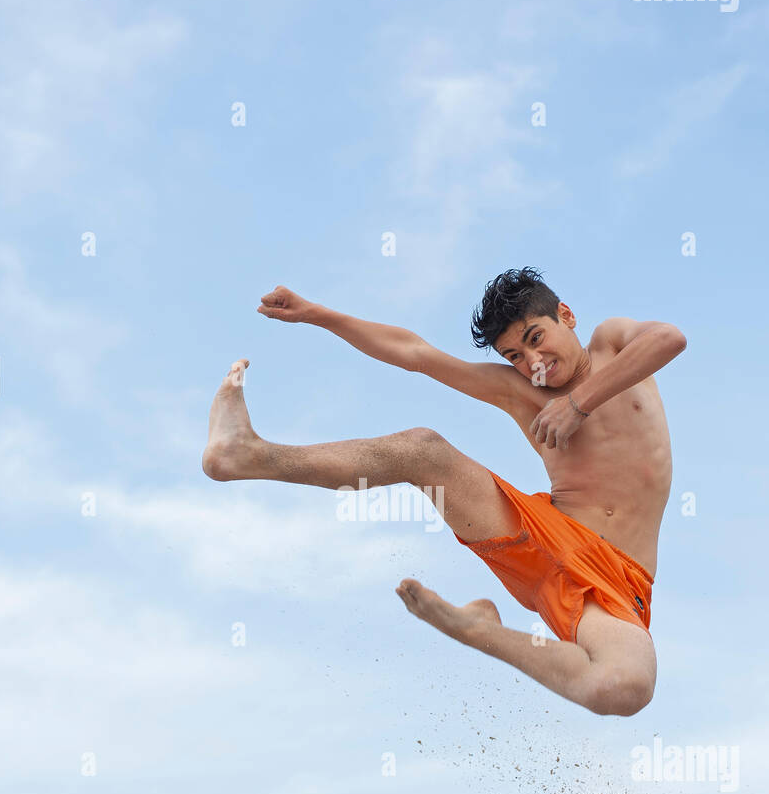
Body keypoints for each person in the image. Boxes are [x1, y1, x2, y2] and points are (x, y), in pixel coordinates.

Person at [202, 267, 686, 716]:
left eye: (536, 339)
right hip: (548, 536)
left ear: (567, 316)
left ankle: (481, 632)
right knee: (424, 450)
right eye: (514, 356)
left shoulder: (613, 342)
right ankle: (244, 454)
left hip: (618, 587)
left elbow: (669, 339)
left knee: (625, 689)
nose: (533, 364)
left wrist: (578, 403)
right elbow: (415, 353)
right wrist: (317, 314)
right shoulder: (519, 392)